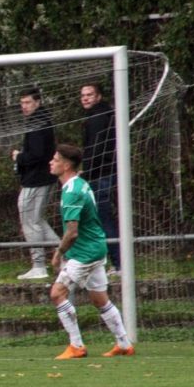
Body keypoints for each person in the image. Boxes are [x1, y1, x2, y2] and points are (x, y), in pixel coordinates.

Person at [48, 143, 134, 360]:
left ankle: (76, 345)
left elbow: (72, 231)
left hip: (84, 252)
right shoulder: (80, 184)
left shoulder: (72, 191)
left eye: (56, 159)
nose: (51, 162)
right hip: (96, 246)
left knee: (57, 293)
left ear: (66, 165)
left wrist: (59, 252)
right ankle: (124, 344)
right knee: (100, 299)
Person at [12, 89, 59, 280]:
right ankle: (67, 254)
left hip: (37, 179)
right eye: (22, 103)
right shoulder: (37, 120)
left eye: (28, 102)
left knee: (29, 219)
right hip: (38, 178)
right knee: (36, 219)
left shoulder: (39, 122)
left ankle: (39, 266)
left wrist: (19, 157)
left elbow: (39, 154)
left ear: (38, 102)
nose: (24, 106)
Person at [80, 83, 119, 272]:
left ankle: (118, 263)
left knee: (103, 219)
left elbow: (96, 149)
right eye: (83, 95)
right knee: (102, 218)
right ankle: (112, 261)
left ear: (98, 97)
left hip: (101, 175)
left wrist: (85, 171)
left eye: (89, 95)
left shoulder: (97, 117)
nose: (86, 98)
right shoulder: (100, 114)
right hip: (103, 173)